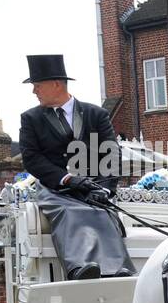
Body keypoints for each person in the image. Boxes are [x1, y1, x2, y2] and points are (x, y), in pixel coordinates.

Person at [18, 54, 135, 280]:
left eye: (37, 85)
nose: (34, 91)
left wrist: (105, 188)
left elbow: (111, 152)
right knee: (69, 212)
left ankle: (119, 268)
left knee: (102, 211)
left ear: (56, 84)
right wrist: (67, 179)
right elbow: (31, 158)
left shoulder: (96, 114)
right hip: (56, 189)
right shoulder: (31, 118)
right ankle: (78, 267)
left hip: (92, 187)